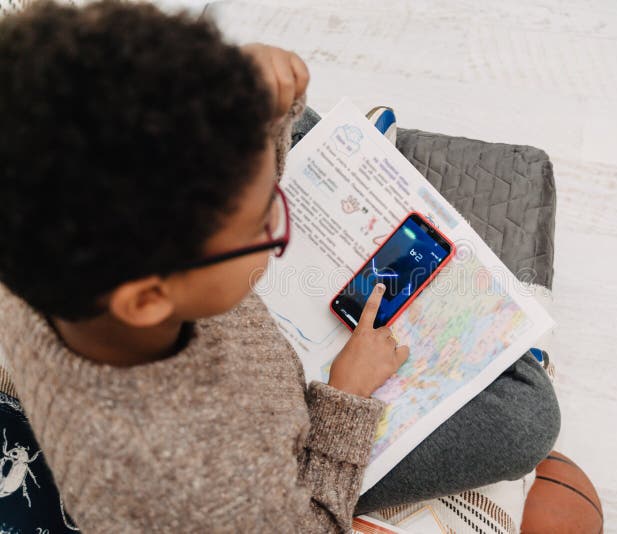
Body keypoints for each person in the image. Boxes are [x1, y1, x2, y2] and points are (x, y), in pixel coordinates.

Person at [0, 1, 560, 531]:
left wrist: (254, 108)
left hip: (242, 352)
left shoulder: (42, 243)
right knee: (528, 416)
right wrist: (347, 400)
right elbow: (312, 524)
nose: (278, 225)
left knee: (282, 112)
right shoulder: (204, 479)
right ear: (148, 298)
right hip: (291, 445)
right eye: (263, 225)